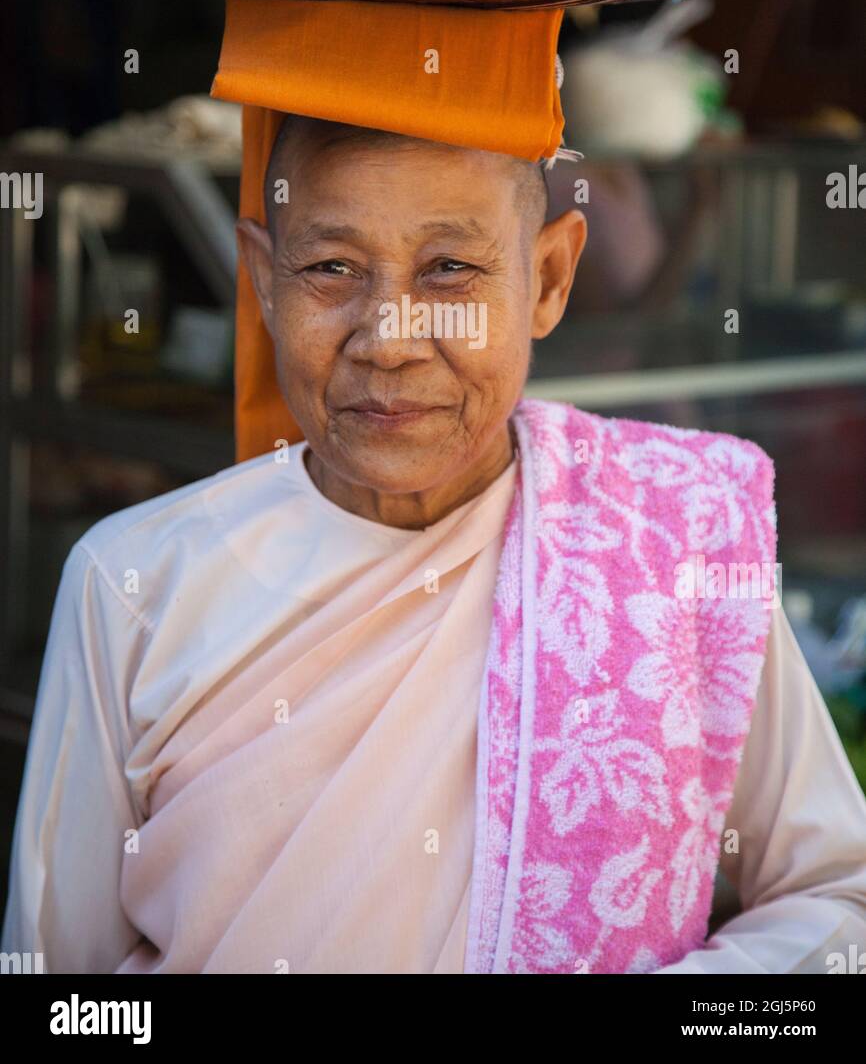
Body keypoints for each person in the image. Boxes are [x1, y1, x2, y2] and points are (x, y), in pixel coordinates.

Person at [3, 108, 866, 975]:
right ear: (265, 281)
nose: (391, 341)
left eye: (450, 270)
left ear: (548, 279)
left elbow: (839, 903)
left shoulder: (670, 540)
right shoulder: (131, 583)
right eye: (331, 269)